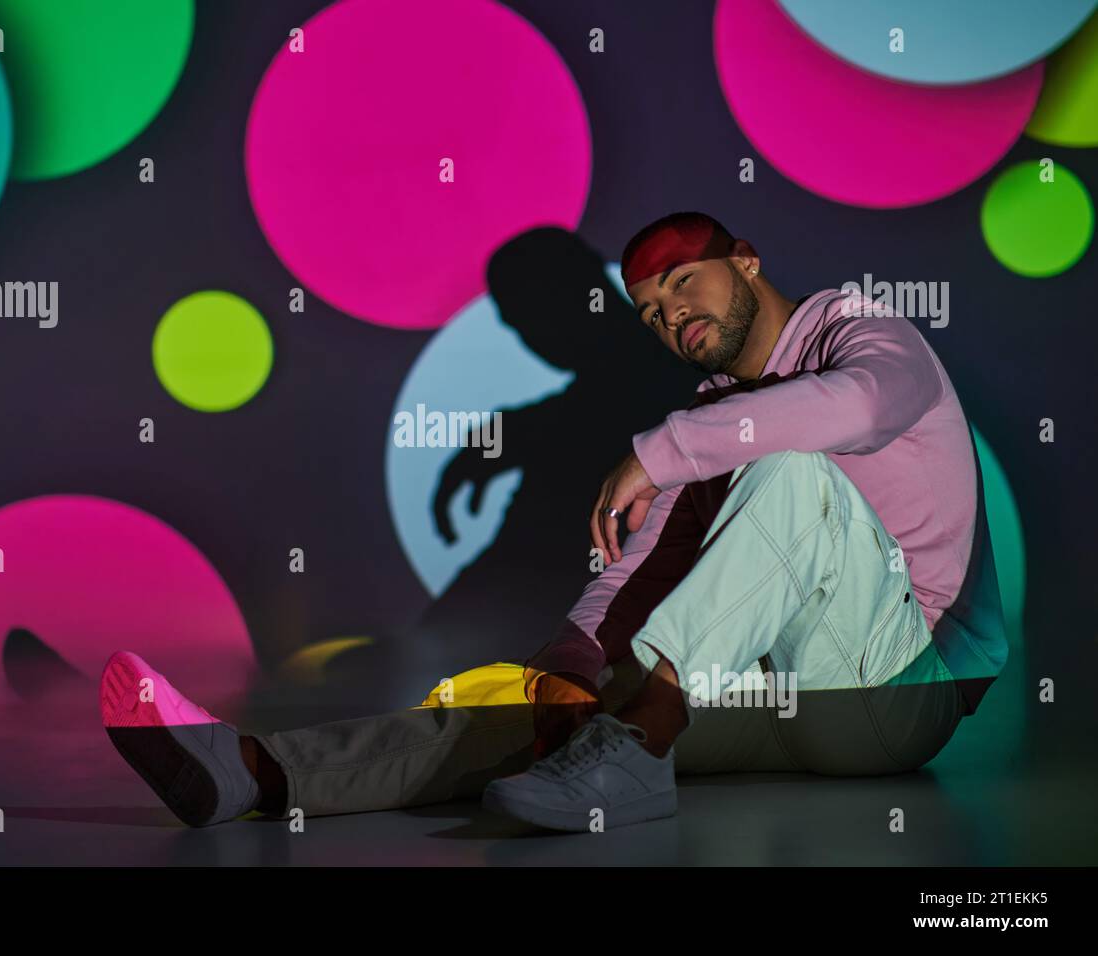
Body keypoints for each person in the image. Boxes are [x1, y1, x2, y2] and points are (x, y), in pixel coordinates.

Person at [101, 211, 1007, 832]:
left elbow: (849, 410)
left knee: (789, 469)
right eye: (651, 311)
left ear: (749, 262)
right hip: (782, 690)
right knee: (553, 719)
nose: (672, 316)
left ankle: (641, 746)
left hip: (900, 693)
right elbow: (646, 557)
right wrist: (572, 660)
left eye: (686, 284)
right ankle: (256, 774)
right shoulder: (717, 413)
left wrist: (658, 451)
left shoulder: (872, 337)